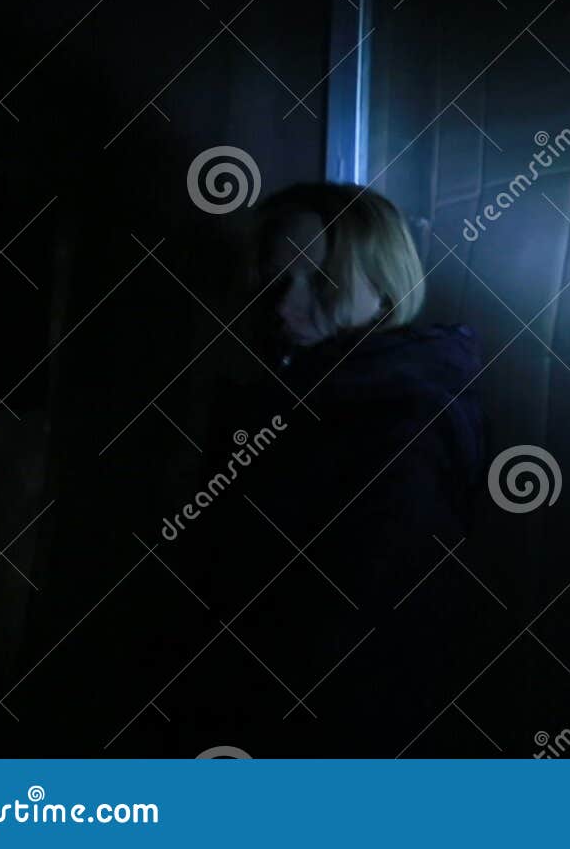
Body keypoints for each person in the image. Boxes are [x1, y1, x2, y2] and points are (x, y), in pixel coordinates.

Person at [173, 183, 486, 756]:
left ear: (384, 286)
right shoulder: (305, 395)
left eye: (320, 281)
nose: (286, 306)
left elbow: (368, 627)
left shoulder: (398, 416)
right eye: (276, 282)